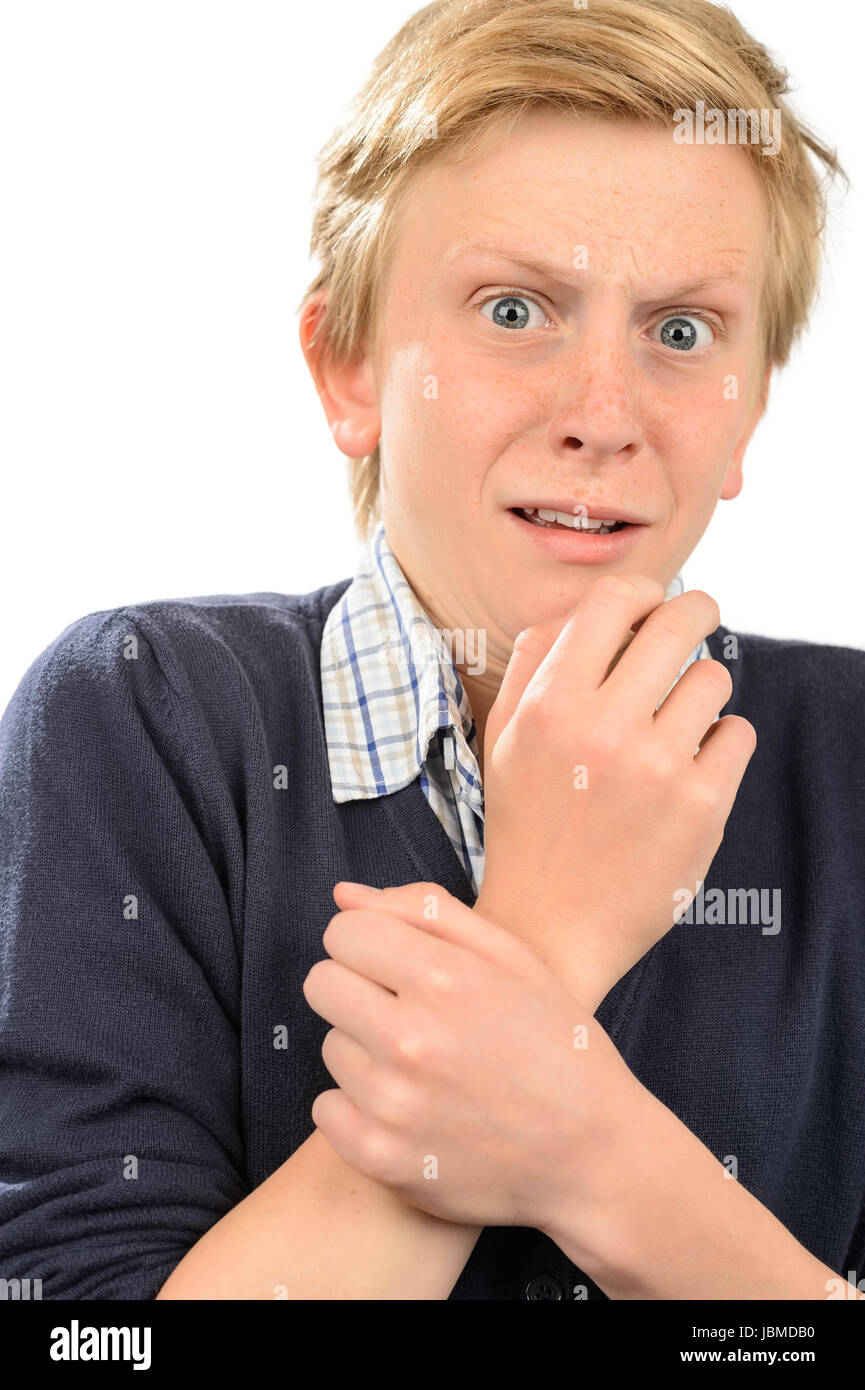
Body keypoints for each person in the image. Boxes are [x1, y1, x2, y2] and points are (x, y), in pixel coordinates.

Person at [1, 0, 863, 1301]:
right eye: (514, 310)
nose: (602, 414)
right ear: (347, 368)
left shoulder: (851, 758)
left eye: (679, 331)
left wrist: (587, 1150)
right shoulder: (145, 716)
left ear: (745, 411)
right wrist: (544, 933)